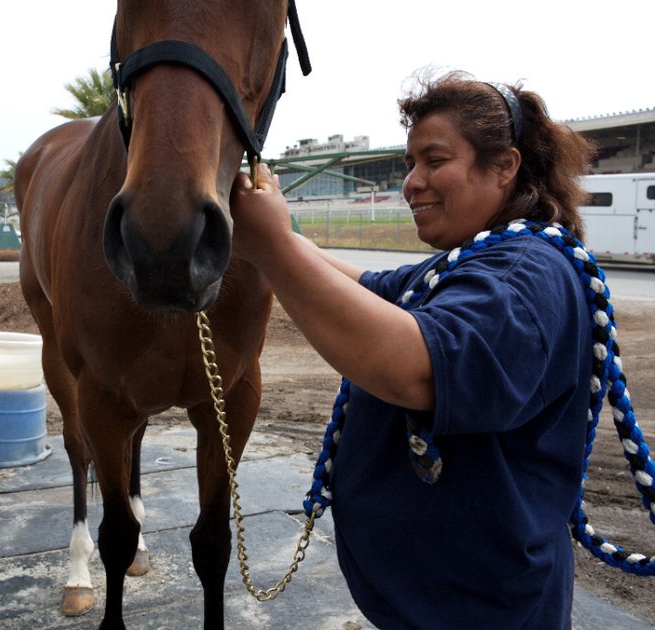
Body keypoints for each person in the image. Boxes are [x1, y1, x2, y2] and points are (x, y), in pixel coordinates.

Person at [230, 71, 597, 628]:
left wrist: (277, 251)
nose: (412, 182)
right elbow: (371, 288)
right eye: (409, 164)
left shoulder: (524, 274)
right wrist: (278, 236)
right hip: (444, 601)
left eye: (435, 160)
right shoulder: (468, 261)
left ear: (504, 166)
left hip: (482, 608)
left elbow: (419, 370)